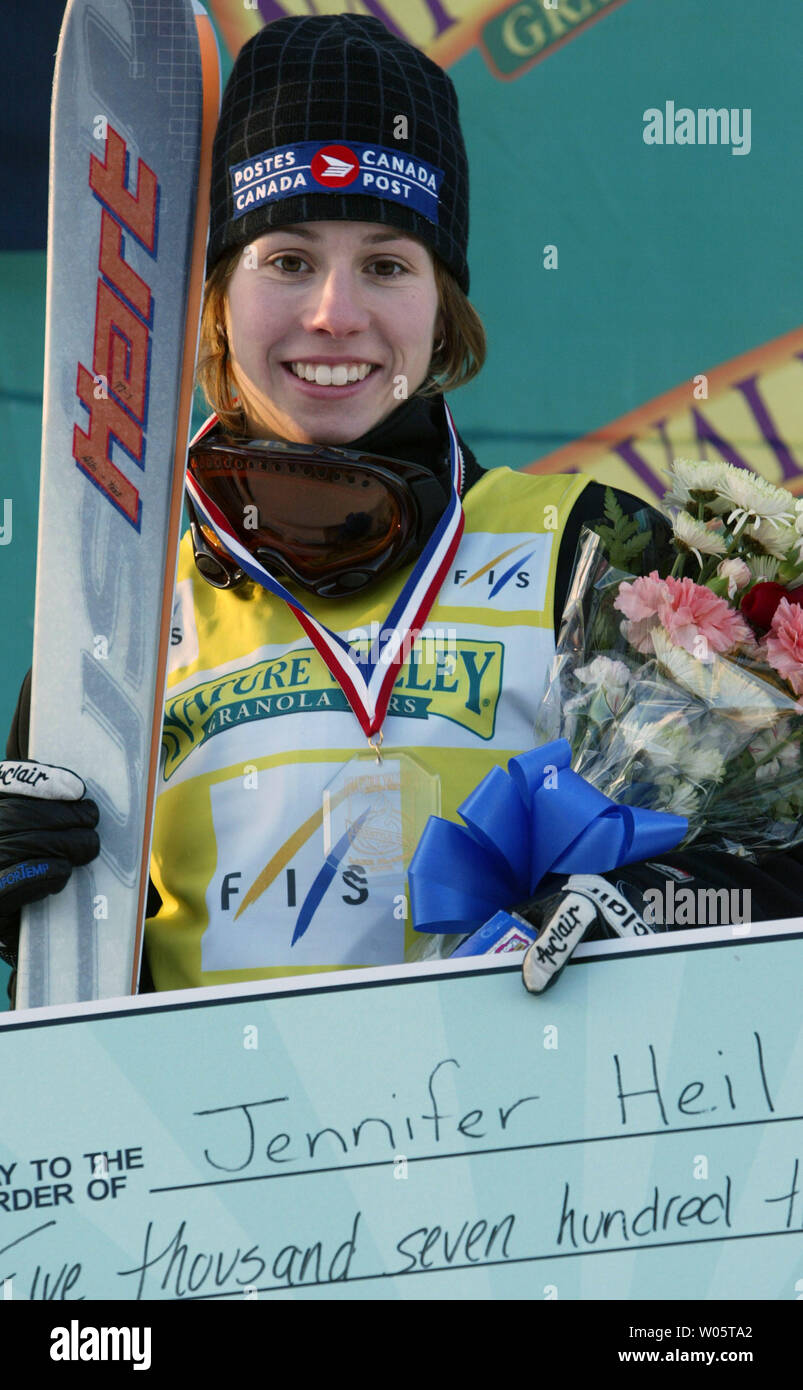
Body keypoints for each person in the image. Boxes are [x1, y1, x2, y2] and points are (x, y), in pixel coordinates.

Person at [2, 15, 802, 1005]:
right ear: (215, 299)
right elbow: (64, 1027)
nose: (335, 312)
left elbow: (769, 863)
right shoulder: (114, 621)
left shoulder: (587, 547)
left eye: (386, 265)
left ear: (441, 306)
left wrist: (662, 899)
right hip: (234, 1149)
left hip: (536, 1142)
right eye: (286, 259)